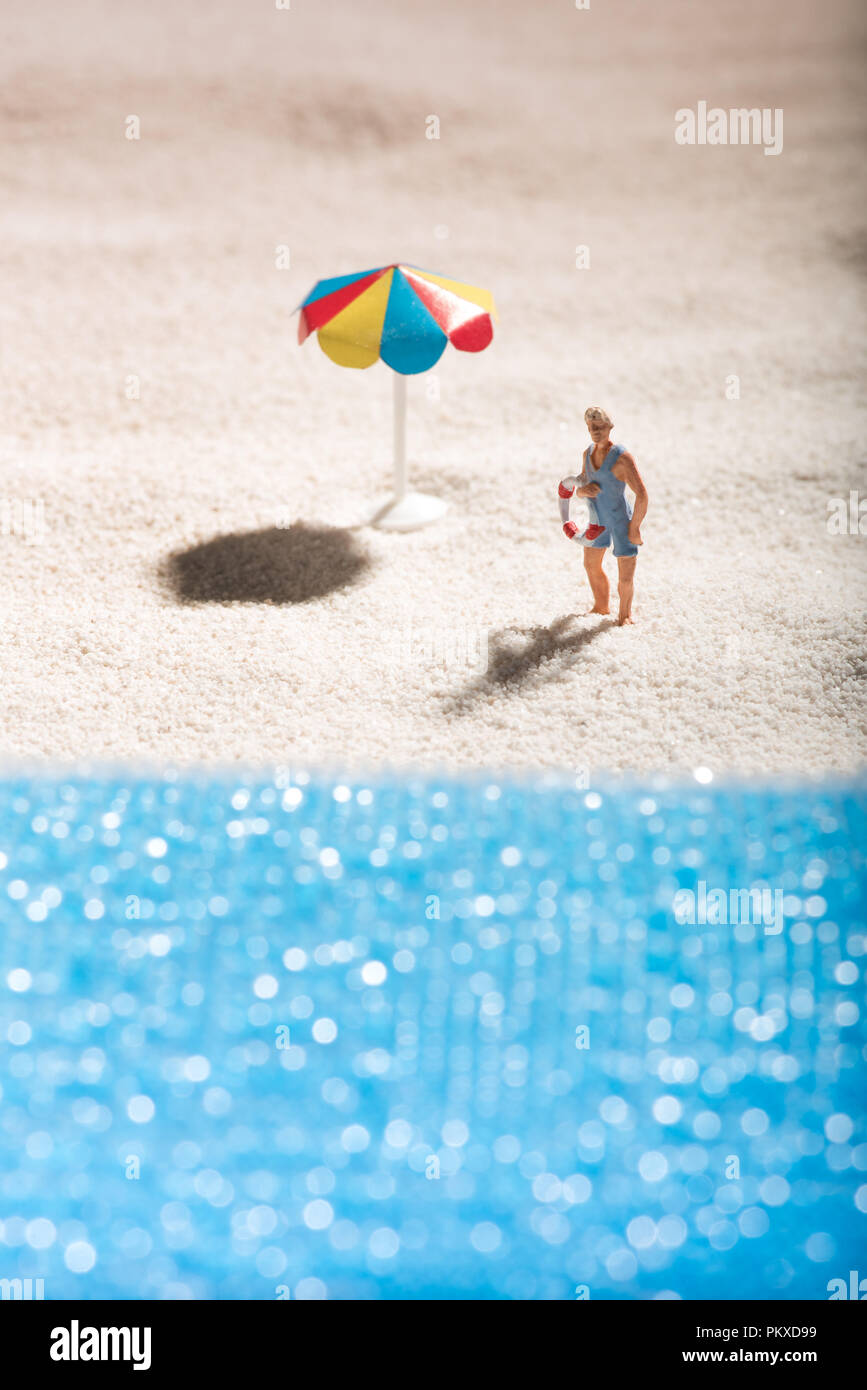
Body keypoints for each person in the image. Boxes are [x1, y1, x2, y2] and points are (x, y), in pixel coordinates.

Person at [558, 406, 648, 625]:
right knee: (590, 564)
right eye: (591, 427)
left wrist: (634, 527)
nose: (596, 431)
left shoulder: (622, 458)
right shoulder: (587, 454)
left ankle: (625, 615)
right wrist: (580, 491)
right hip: (597, 520)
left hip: (620, 521)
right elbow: (581, 483)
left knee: (625, 572)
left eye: (599, 426)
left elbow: (642, 495)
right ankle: (601, 606)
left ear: (610, 427)